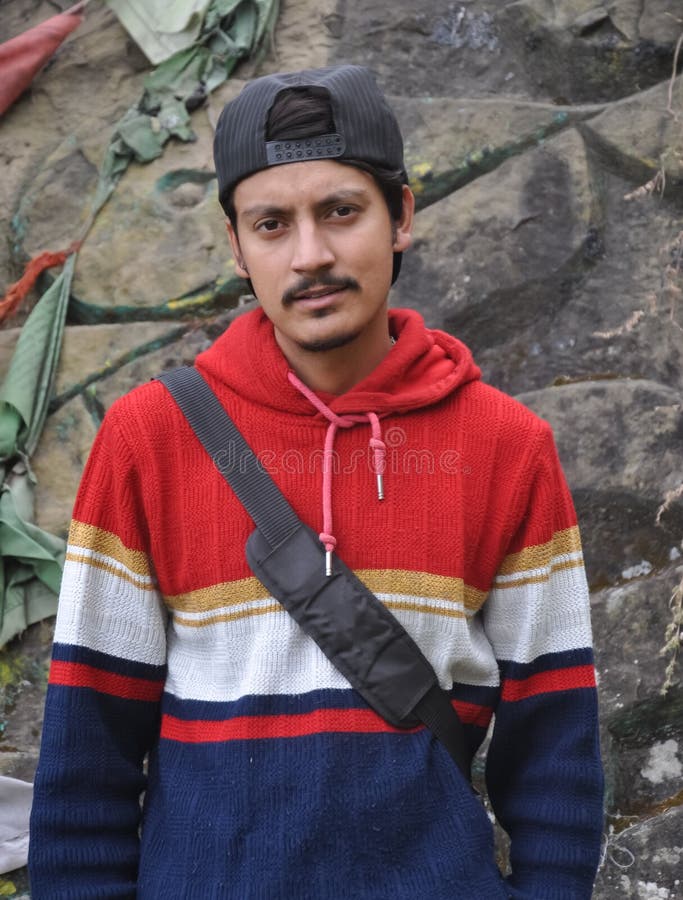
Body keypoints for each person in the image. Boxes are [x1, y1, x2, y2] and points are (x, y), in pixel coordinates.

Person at [29, 65, 604, 898]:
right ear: (235, 245)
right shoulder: (148, 440)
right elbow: (90, 751)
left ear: (400, 215)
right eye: (272, 223)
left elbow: (555, 750)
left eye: (341, 211)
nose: (311, 255)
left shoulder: (507, 448)